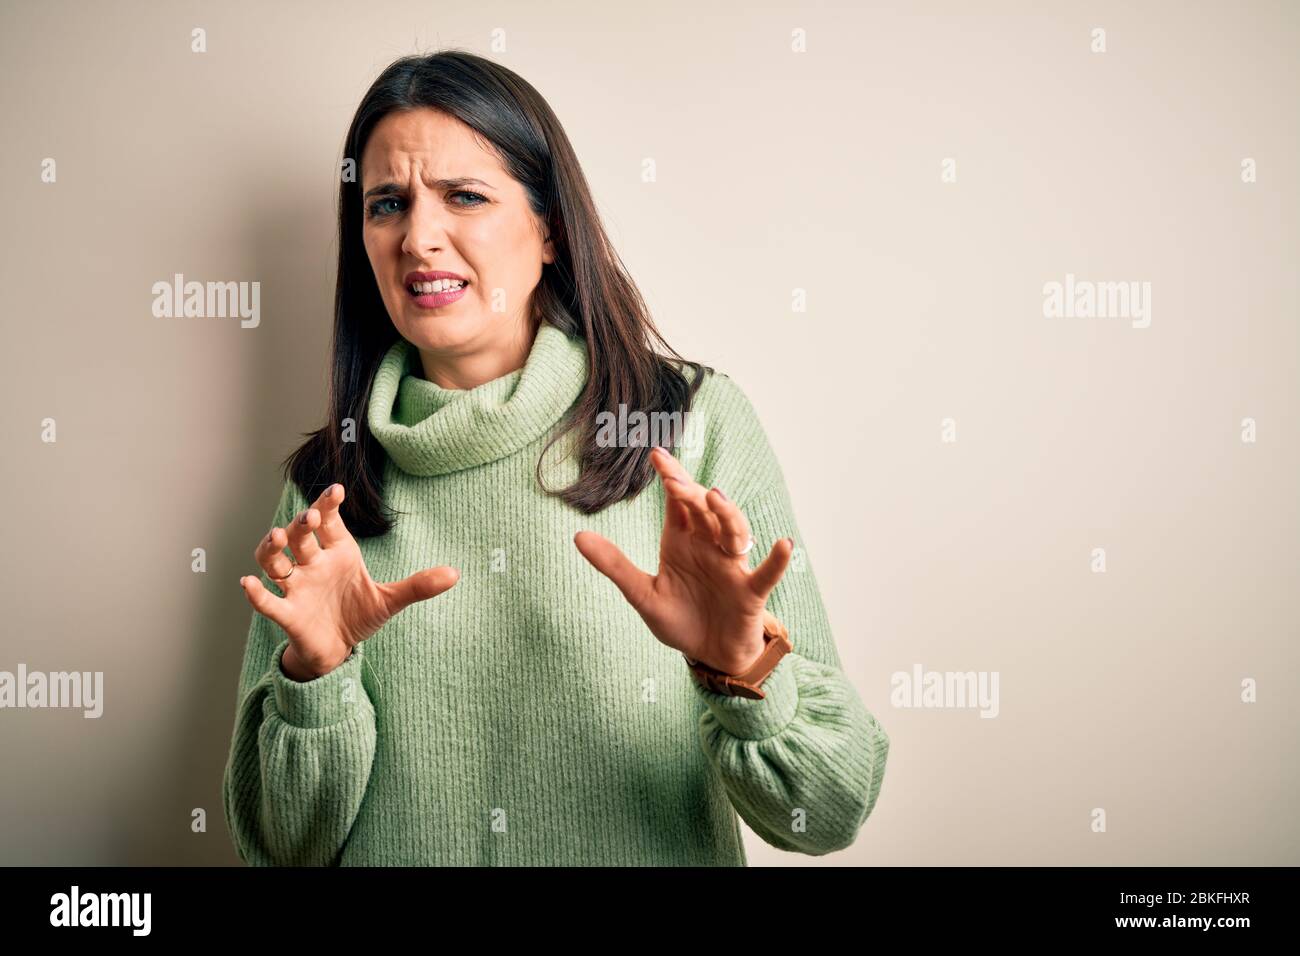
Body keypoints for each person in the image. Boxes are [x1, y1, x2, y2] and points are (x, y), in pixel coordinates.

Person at [222, 49, 889, 866]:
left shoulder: (688, 424)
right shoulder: (328, 488)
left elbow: (826, 812)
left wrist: (740, 671)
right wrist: (315, 676)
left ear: (550, 229)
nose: (419, 238)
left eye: (465, 196)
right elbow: (276, 850)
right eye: (386, 205)